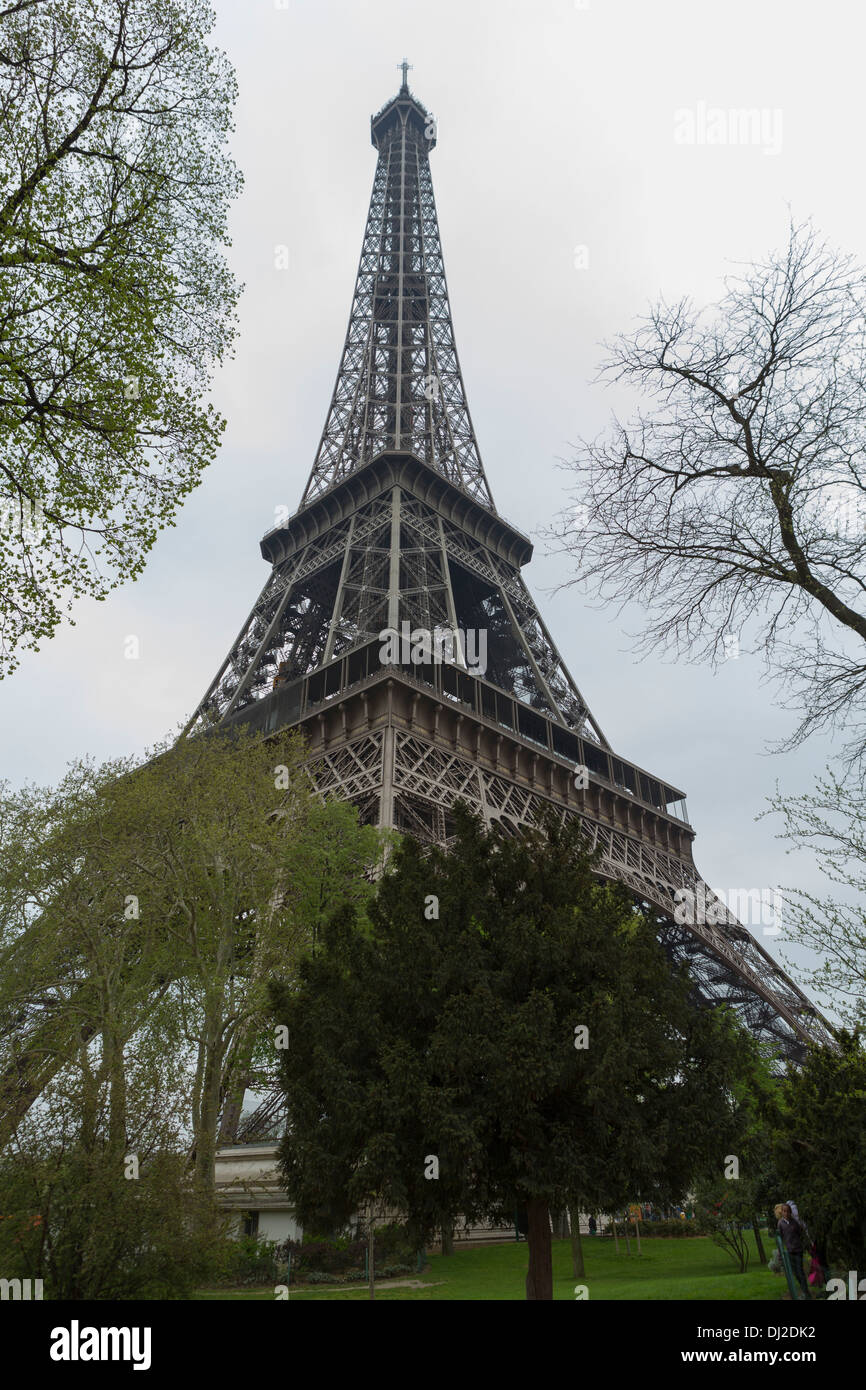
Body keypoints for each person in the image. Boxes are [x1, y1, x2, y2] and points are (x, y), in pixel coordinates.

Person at [775, 1203, 810, 1299]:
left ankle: (806, 1292)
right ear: (782, 1212)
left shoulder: (794, 1222)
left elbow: (800, 1233)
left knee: (800, 1271)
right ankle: (804, 1290)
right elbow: (780, 1238)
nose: (786, 1213)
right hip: (790, 1252)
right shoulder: (780, 1224)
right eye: (784, 1211)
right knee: (796, 1273)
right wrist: (780, 1252)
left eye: (788, 1211)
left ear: (790, 1212)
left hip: (798, 1250)